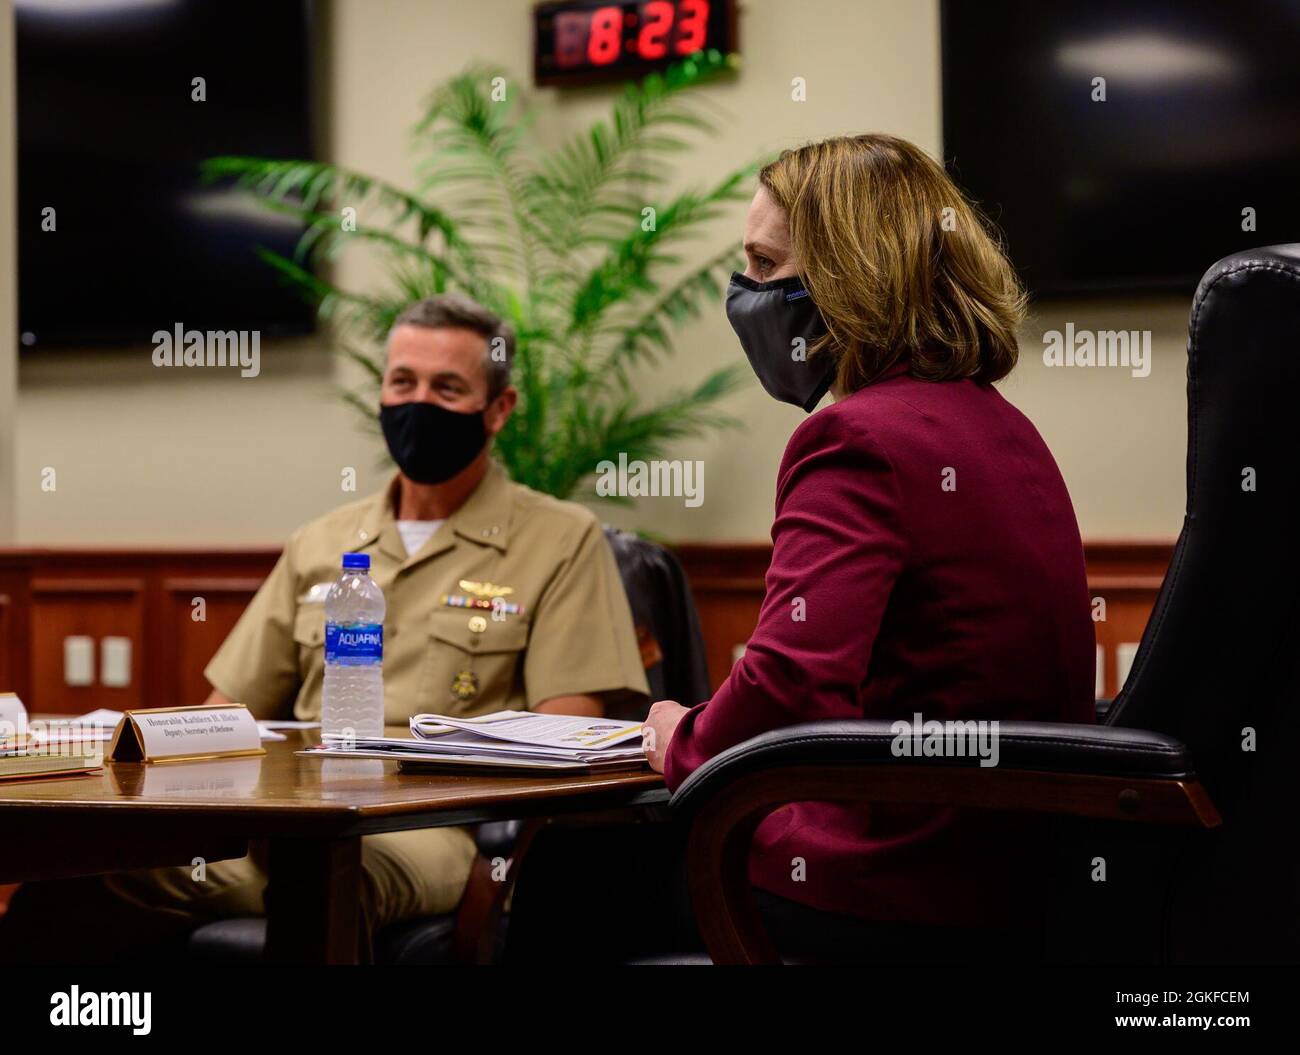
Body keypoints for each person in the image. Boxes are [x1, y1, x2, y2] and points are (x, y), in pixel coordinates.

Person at [516, 133, 1095, 964]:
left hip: (887, 891)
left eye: (762, 265)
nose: (744, 292)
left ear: (849, 277)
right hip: (1012, 889)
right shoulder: (1004, 426)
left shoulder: (856, 437)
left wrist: (681, 735)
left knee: (566, 871)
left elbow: (788, 684)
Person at [0, 294, 650, 964]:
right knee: (70, 888)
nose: (417, 401)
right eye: (402, 382)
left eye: (447, 387)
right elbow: (226, 712)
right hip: (281, 824)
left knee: (331, 884)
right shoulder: (324, 541)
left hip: (433, 833)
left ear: (499, 408)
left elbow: (565, 741)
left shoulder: (559, 539)